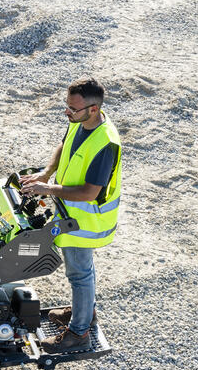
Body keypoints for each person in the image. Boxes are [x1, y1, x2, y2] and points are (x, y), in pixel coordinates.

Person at [19, 77, 122, 353]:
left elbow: (90, 192)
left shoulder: (105, 143)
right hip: (70, 212)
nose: (67, 113)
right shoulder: (80, 121)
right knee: (81, 271)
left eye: (72, 109)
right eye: (66, 107)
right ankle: (86, 314)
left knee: (79, 274)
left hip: (85, 220)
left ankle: (79, 333)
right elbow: (64, 146)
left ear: (93, 109)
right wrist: (46, 172)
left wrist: (48, 187)